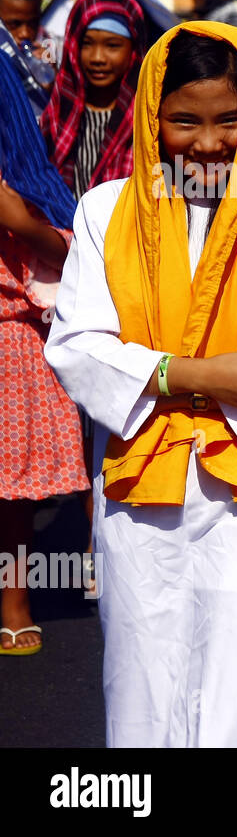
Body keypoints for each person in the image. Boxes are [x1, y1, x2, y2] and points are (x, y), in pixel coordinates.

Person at [44, 21, 237, 746]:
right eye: (184, 120)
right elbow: (78, 344)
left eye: (227, 121)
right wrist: (192, 375)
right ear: (152, 115)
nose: (208, 144)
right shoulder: (104, 212)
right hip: (138, 500)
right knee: (145, 678)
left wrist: (165, 382)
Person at [0, 52, 89, 655]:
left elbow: (69, 256)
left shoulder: (19, 180)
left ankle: (14, 600)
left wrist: (20, 223)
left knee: (11, 496)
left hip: (10, 339)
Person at [40, 0, 145, 200]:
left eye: (112, 46)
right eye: (87, 44)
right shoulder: (56, 113)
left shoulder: (147, 118)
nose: (97, 57)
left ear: (134, 51)